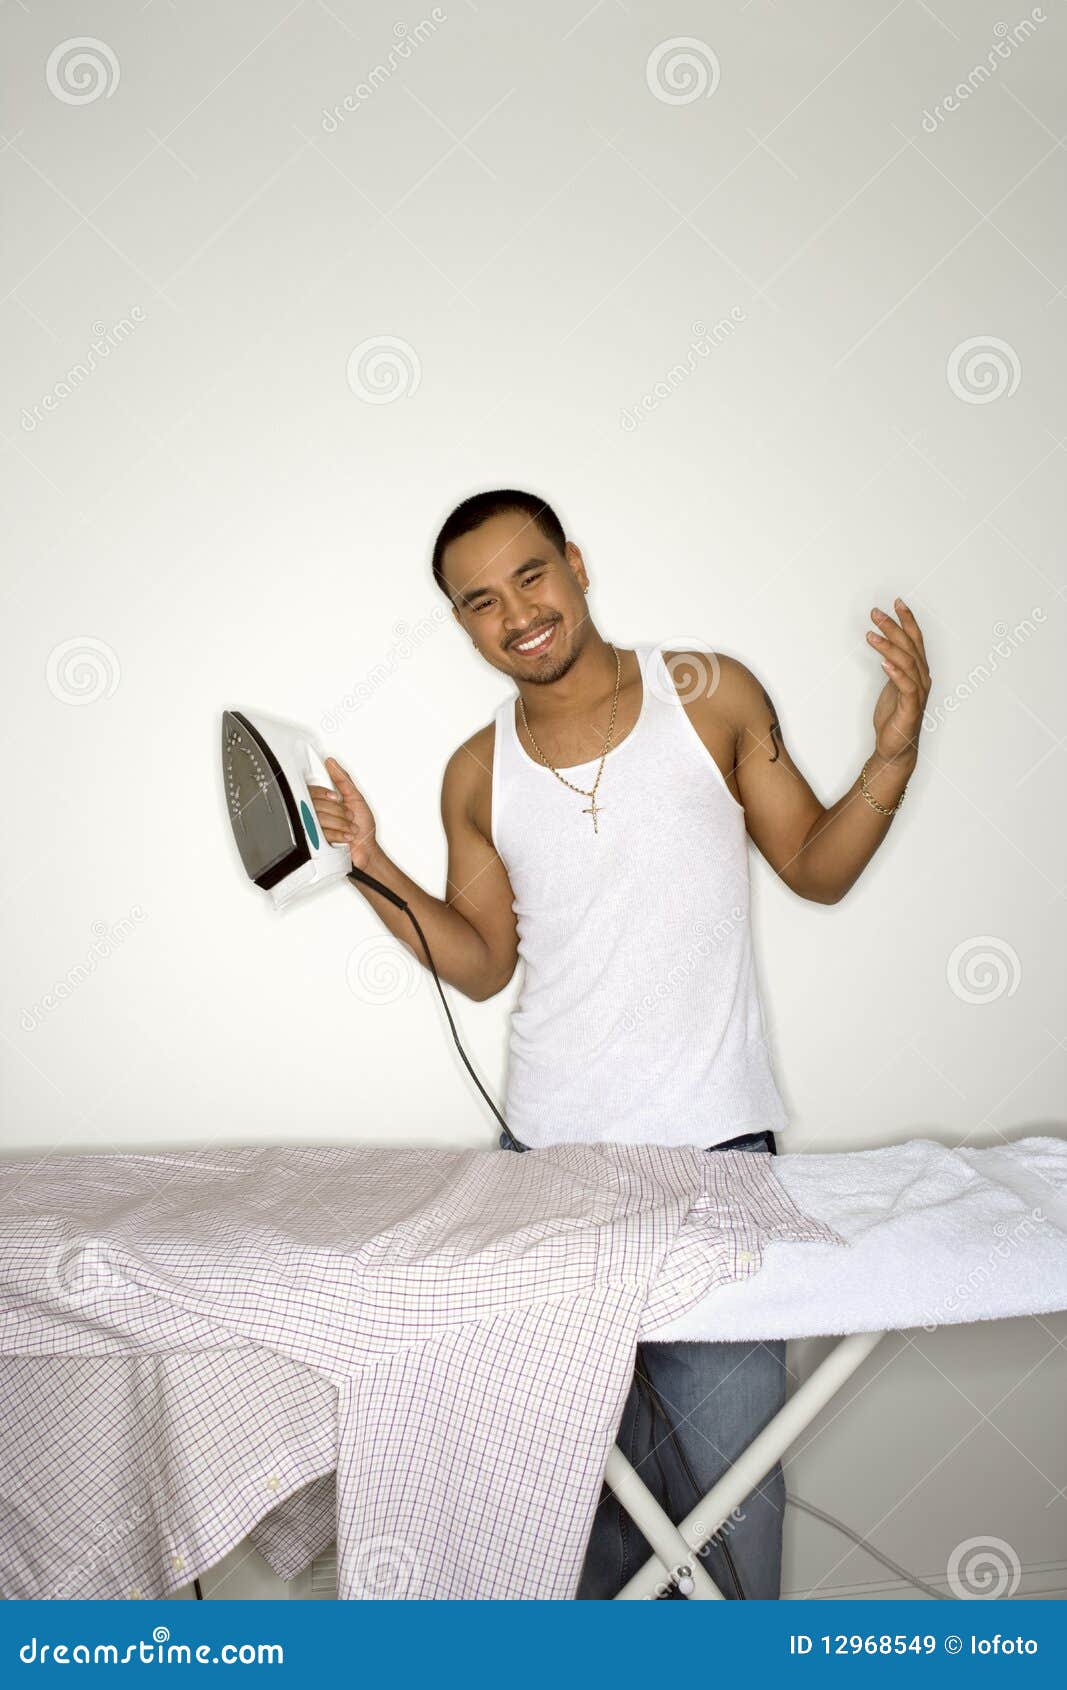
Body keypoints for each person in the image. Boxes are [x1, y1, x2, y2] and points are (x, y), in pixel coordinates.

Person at [308, 488, 931, 1599]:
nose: (517, 614)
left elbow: (816, 868)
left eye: (531, 576)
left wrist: (893, 751)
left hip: (713, 1159)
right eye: (480, 602)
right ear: (463, 623)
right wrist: (370, 862)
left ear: (576, 564)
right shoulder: (474, 771)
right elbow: (483, 961)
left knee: (730, 1491)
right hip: (544, 1169)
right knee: (564, 1490)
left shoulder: (709, 694)